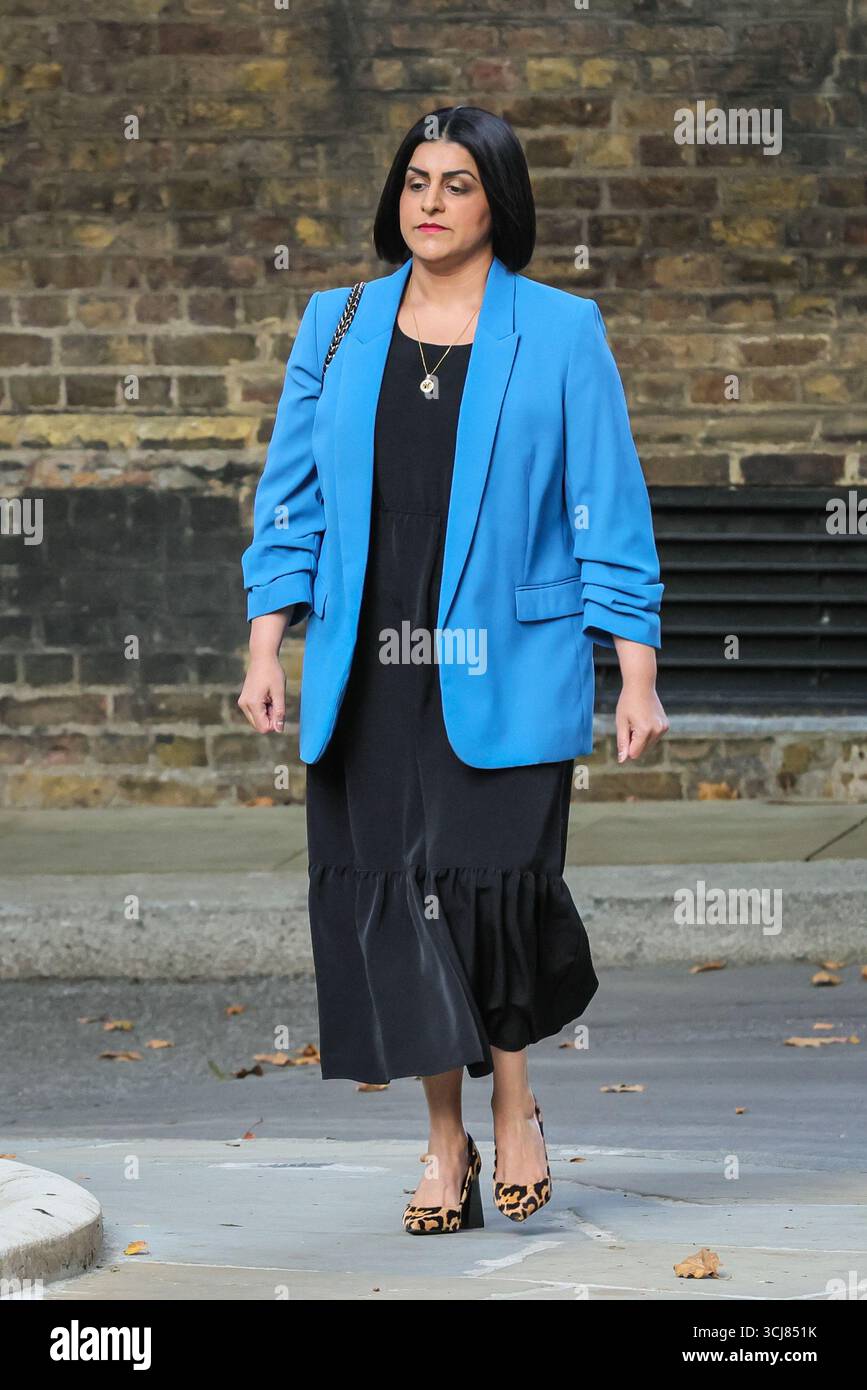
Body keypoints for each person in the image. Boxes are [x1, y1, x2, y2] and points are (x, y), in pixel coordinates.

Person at [239, 105, 668, 1235]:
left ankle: (517, 1105)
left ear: (499, 204)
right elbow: (289, 505)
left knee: (493, 884)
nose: (428, 202)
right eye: (415, 181)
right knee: (399, 890)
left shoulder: (563, 331)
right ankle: (445, 1143)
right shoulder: (334, 327)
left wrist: (637, 672)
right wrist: (264, 646)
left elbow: (609, 510)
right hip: (366, 659)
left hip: (510, 656)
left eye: (457, 183)